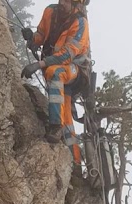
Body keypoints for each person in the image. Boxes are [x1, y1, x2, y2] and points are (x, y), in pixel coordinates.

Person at [21, 0, 91, 165]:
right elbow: (41, 34)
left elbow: (67, 55)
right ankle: (76, 165)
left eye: (67, 1)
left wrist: (38, 65)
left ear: (76, 5)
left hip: (76, 69)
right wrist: (32, 38)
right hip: (56, 67)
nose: (62, 3)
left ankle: (55, 126)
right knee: (66, 117)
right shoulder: (50, 12)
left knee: (56, 72)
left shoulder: (80, 23)